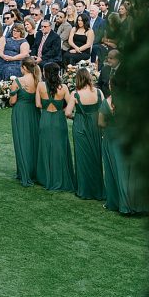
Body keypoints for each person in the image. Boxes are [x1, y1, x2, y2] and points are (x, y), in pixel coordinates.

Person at [99, 89, 144, 215]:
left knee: (115, 171)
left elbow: (100, 123)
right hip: (127, 137)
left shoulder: (106, 102)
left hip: (111, 137)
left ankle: (120, 204)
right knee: (129, 172)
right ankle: (134, 203)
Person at [35, 63, 75, 192]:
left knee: (45, 148)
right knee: (60, 148)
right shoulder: (63, 87)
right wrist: (61, 108)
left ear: (45, 72)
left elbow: (38, 104)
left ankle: (46, 177)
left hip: (45, 119)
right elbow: (70, 105)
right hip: (59, 120)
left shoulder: (40, 85)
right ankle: (60, 177)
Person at [66, 68, 104, 201]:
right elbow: (104, 109)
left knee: (82, 158)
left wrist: (76, 117)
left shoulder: (75, 94)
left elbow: (67, 113)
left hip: (81, 127)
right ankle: (98, 189)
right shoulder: (99, 92)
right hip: (96, 127)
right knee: (96, 157)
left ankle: (84, 189)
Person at [9, 59, 41, 187]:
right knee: (34, 141)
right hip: (34, 112)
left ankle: (24, 173)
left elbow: (12, 101)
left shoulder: (17, 81)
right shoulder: (38, 81)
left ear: (24, 68)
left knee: (21, 141)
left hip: (20, 113)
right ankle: (34, 172)